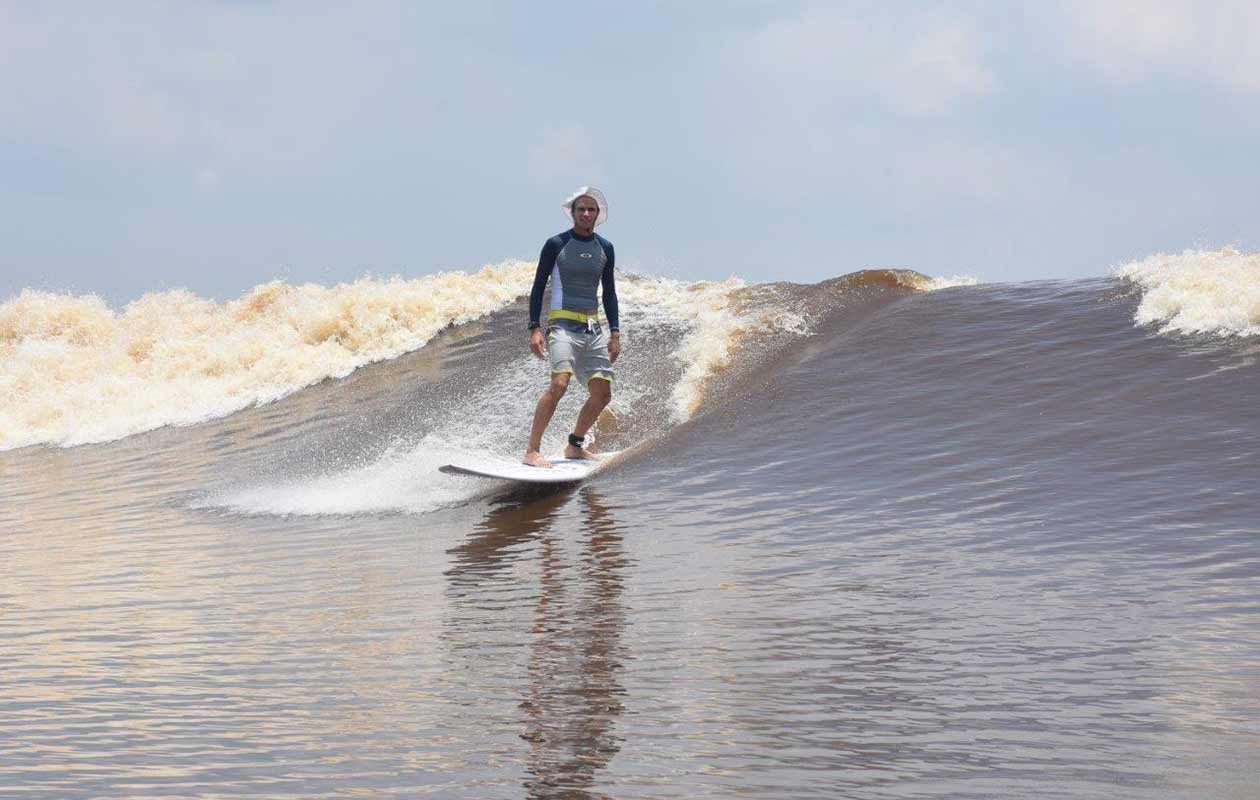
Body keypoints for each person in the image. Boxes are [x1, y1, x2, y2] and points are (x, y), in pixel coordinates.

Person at [522, 187, 621, 468]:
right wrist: (534, 328)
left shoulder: (605, 248)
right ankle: (532, 451)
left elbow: (610, 292)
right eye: (581, 209)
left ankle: (575, 445)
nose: (586, 213)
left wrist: (615, 332)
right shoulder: (556, 244)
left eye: (591, 209)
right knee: (559, 384)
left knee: (603, 393)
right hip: (562, 326)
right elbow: (539, 286)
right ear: (573, 213)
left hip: (592, 329)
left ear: (597, 214)